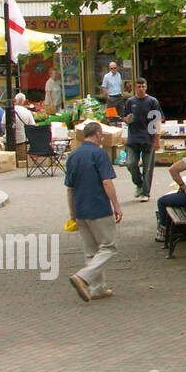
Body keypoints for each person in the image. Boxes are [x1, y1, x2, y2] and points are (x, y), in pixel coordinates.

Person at [65, 120, 122, 302]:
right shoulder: (99, 153)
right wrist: (116, 205)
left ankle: (97, 288)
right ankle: (83, 277)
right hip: (98, 206)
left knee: (91, 250)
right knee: (108, 247)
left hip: (80, 207)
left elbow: (69, 188)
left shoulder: (72, 156)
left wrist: (72, 213)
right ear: (97, 134)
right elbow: (107, 182)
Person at [121, 78, 162, 202]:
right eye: (139, 86)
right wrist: (127, 120)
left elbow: (158, 120)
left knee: (147, 168)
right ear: (135, 87)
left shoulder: (152, 101)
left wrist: (157, 139)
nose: (141, 89)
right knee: (130, 163)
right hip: (133, 138)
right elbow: (125, 117)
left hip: (148, 138)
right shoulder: (130, 102)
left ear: (146, 87)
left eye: (143, 86)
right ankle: (138, 183)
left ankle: (145, 192)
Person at [11, 93, 36, 157]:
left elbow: (3, 125)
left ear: (15, 100)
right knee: (21, 161)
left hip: (9, 141)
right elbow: (32, 127)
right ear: (24, 102)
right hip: (21, 140)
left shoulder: (9, 110)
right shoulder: (27, 112)